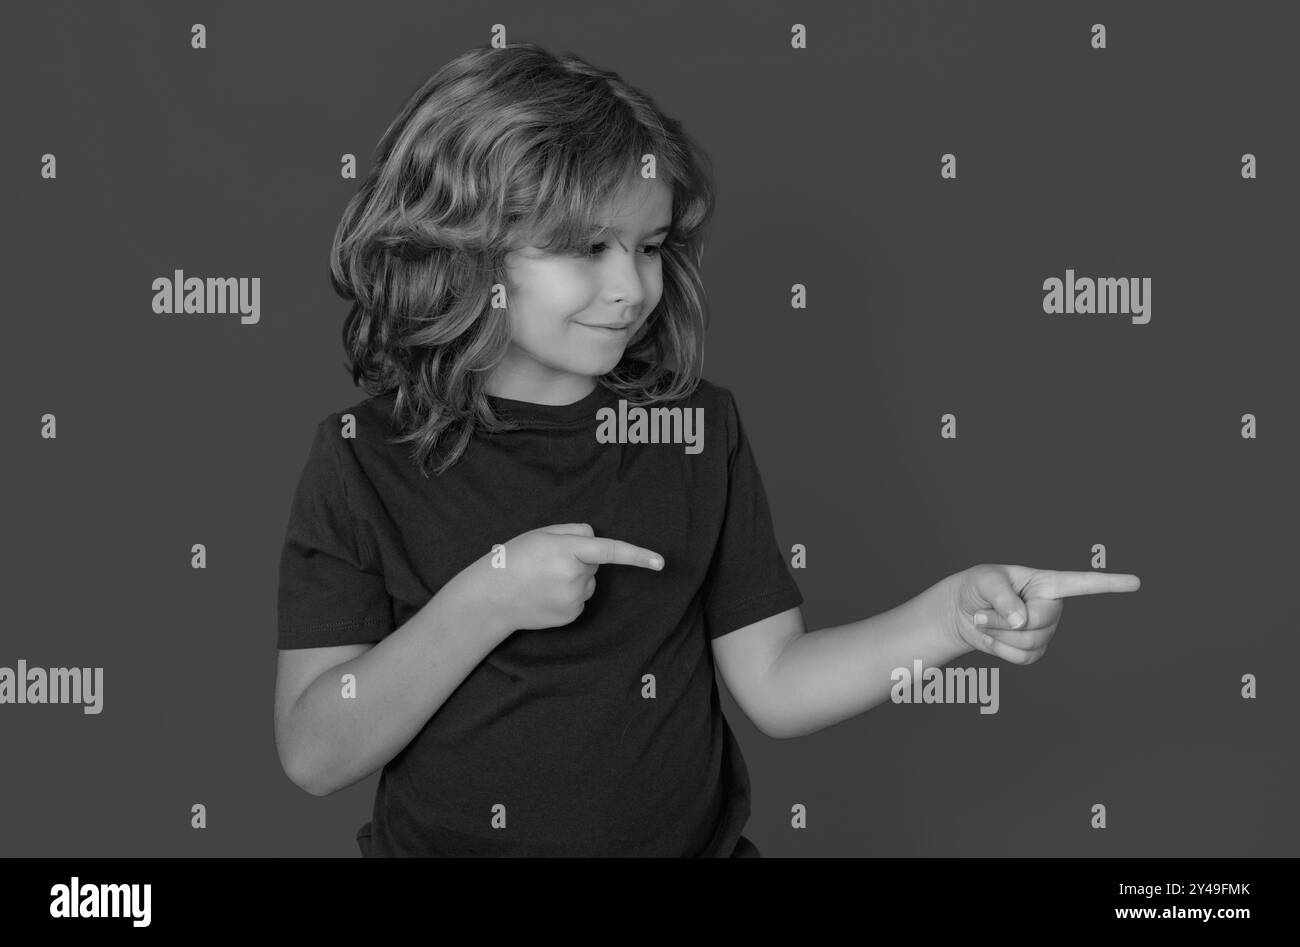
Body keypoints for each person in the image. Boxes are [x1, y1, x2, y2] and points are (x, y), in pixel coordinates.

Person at [273, 42, 1140, 858]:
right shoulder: (361, 458)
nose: (631, 288)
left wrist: (949, 617)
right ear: (465, 249)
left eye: (649, 247)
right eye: (586, 249)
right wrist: (484, 600)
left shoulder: (695, 432)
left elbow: (776, 683)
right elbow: (314, 754)